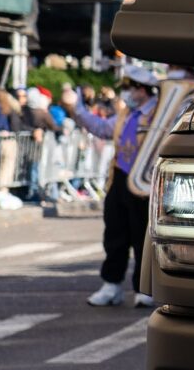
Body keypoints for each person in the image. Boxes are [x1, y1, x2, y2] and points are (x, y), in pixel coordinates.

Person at [62, 65, 159, 307]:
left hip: (144, 182)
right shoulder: (127, 114)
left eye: (129, 88)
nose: (126, 94)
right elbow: (103, 128)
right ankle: (112, 285)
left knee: (142, 237)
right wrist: (78, 109)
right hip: (119, 179)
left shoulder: (160, 114)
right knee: (114, 234)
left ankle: (144, 287)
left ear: (141, 89)